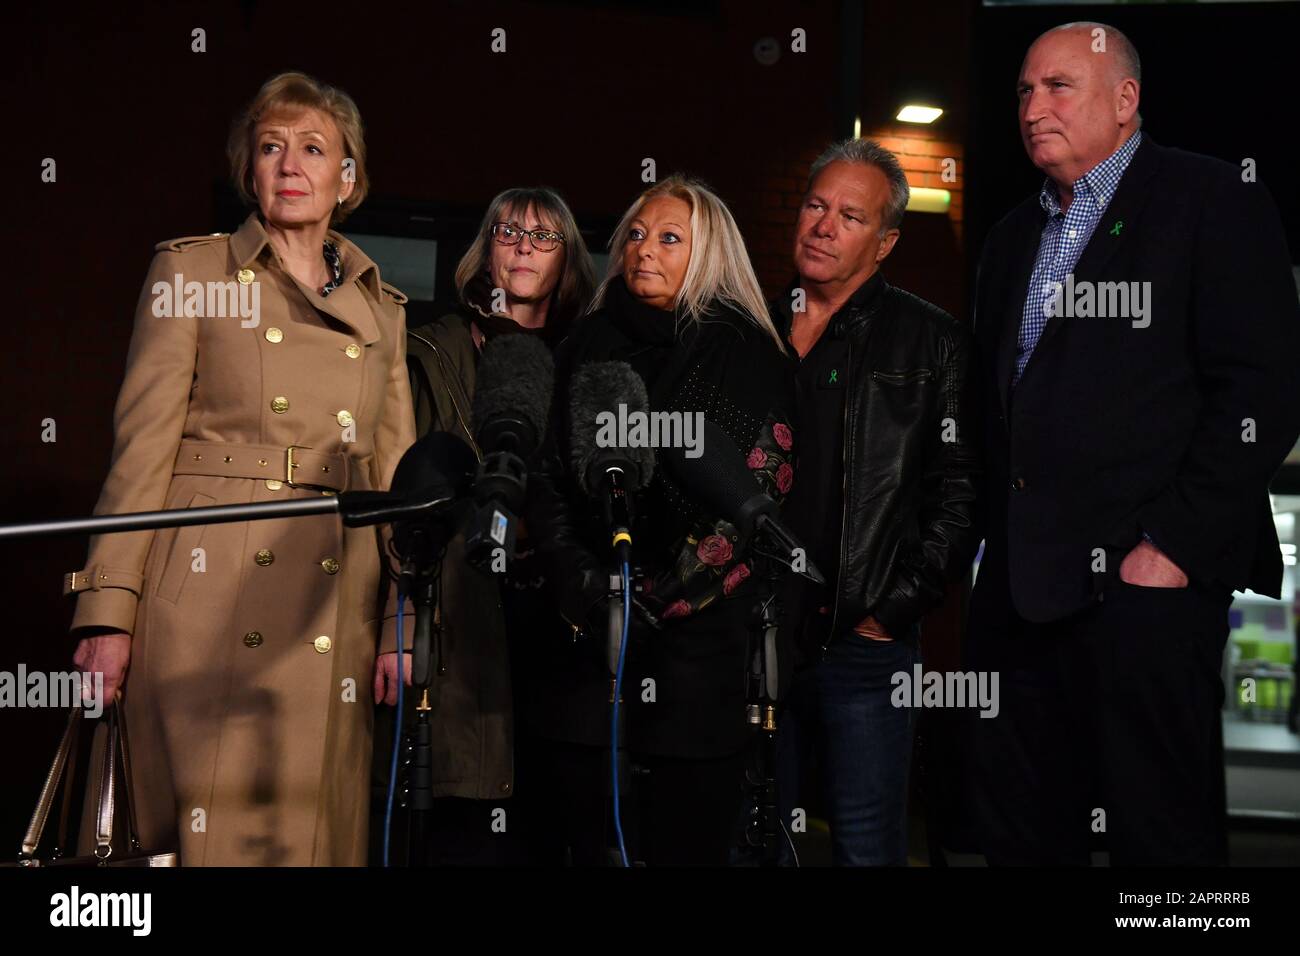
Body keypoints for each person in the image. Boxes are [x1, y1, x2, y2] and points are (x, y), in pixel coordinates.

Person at [967, 21, 1300, 865]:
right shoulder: (1011, 238)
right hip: (1019, 605)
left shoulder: (1213, 201)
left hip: (1145, 598)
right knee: (1022, 838)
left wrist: (1172, 549)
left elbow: (1262, 391)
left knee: (1162, 844)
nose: (1033, 106)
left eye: (1058, 87)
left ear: (1126, 100)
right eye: (1023, 91)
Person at [65, 71, 415, 866]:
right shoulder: (191, 275)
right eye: (271, 147)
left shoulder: (381, 309)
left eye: (314, 149)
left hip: (333, 604)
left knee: (303, 835)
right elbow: (141, 450)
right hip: (205, 595)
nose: (290, 164)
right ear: (249, 171)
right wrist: (106, 614)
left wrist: (400, 624)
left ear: (347, 178)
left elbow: (396, 481)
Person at [535, 174, 797, 865]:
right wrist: (586, 582)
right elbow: (550, 478)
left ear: (707, 254)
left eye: (670, 238)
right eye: (637, 235)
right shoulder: (586, 343)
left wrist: (658, 596)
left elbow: (753, 491)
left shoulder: (745, 349)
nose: (644, 249)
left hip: (696, 661)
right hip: (586, 645)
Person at [772, 139, 979, 866]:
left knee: (867, 849)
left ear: (885, 241)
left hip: (864, 645)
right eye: (815, 206)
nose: (823, 226)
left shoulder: (934, 341)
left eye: (850, 217)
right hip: (754, 637)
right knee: (758, 842)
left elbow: (960, 498)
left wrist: (890, 612)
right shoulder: (751, 328)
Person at [377, 187, 595, 864]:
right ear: (485, 250)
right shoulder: (427, 353)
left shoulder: (587, 361)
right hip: (463, 622)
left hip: (557, 637)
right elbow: (397, 506)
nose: (525, 245)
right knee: (463, 828)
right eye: (509, 231)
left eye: (545, 235)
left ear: (568, 263)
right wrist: (395, 626)